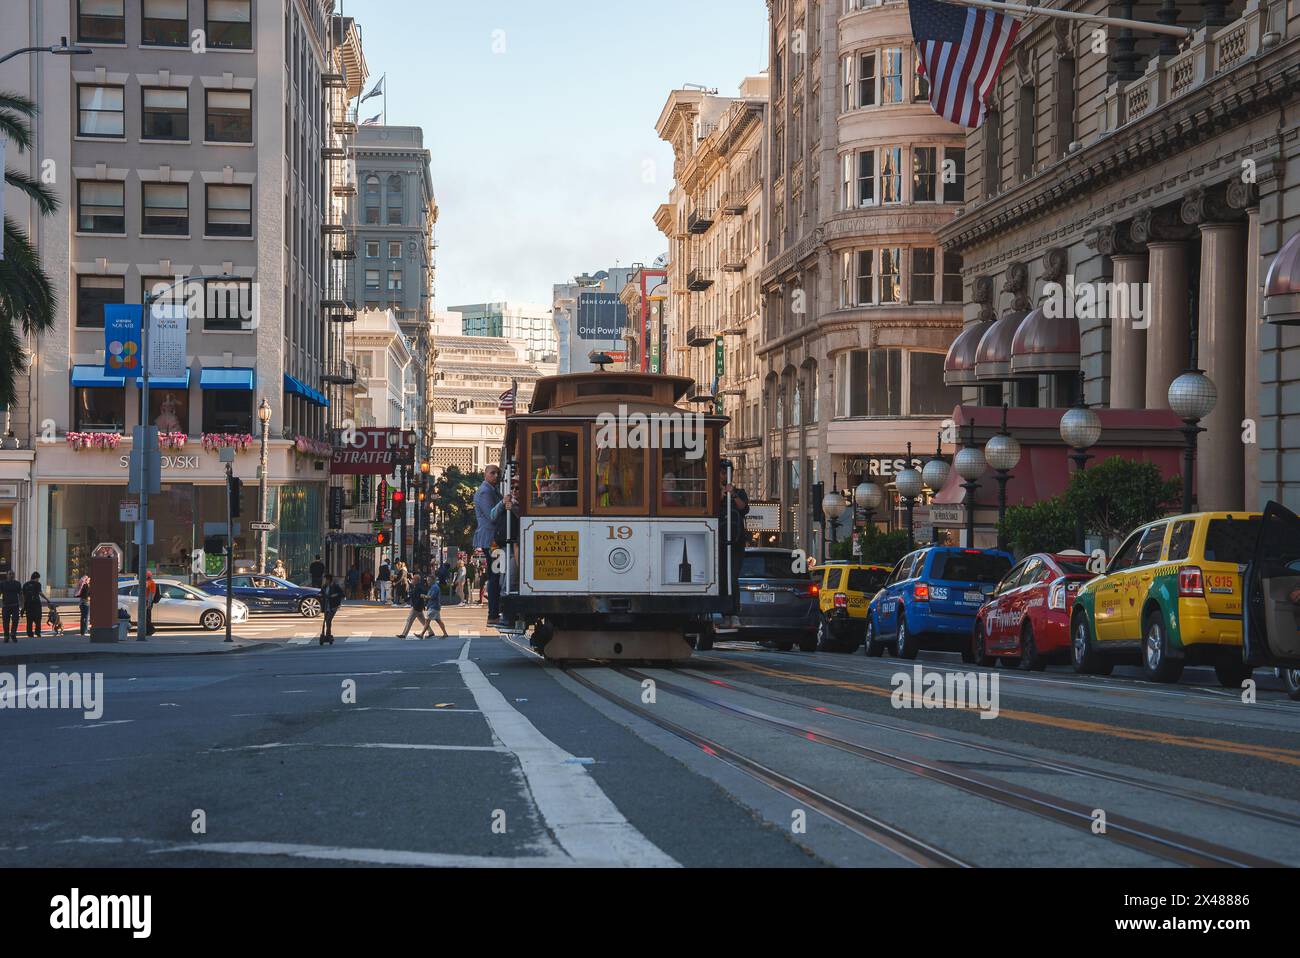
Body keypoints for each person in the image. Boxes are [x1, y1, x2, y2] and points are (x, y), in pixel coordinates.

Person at [717, 470, 750, 621]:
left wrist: (733, 494)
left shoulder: (740, 492)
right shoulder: (714, 492)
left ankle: (733, 609)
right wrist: (721, 494)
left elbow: (743, 508)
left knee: (733, 575)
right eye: (720, 474)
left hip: (736, 543)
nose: (723, 477)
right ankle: (721, 607)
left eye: (725, 474)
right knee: (721, 575)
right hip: (719, 542)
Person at [474, 466, 506, 620]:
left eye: (497, 473)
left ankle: (495, 610)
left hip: (493, 539)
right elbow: (492, 515)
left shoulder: (492, 489)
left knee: (496, 574)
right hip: (491, 540)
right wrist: (504, 502)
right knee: (495, 575)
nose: (496, 476)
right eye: (492, 473)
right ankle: (493, 613)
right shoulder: (485, 491)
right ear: (485, 474)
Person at [399, 574, 435, 640]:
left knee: (409, 620)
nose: (412, 580)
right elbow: (412, 595)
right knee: (423, 621)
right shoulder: (416, 586)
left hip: (416, 607)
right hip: (418, 607)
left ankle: (404, 634)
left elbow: (420, 597)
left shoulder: (419, 588)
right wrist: (405, 600)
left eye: (413, 579)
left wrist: (416, 606)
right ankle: (431, 632)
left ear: (416, 580)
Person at [319, 573, 344, 646]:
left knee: (328, 620)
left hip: (333, 606)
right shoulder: (324, 587)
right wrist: (320, 595)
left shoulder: (335, 586)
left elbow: (342, 594)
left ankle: (328, 634)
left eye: (326, 580)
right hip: (326, 605)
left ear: (329, 580)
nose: (325, 581)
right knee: (325, 620)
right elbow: (321, 593)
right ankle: (325, 634)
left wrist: (335, 595)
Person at [22, 572, 48, 638]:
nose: (38, 580)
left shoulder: (25, 584)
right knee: (38, 618)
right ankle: (37, 632)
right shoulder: (37, 584)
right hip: (36, 603)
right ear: (37, 578)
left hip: (28, 604)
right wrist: (47, 599)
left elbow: (23, 596)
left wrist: (24, 606)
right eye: (38, 578)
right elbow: (40, 593)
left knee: (29, 619)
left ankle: (29, 633)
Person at [1, 571, 23, 643]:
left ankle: (13, 634)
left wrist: (22, 605)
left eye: (13, 574)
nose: (11, 575)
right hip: (6, 606)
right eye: (10, 574)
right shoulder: (2, 584)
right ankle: (6, 636)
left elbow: (20, 594)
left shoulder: (17, 583)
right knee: (5, 622)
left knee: (15, 620)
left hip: (15, 606)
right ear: (7, 575)